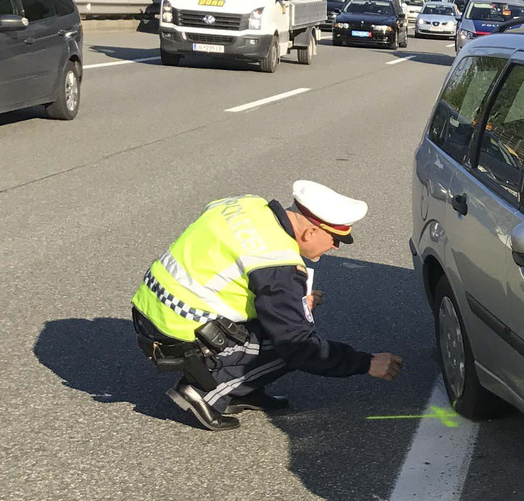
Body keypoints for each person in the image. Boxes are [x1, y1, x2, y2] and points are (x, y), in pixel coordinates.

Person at [131, 179, 403, 431]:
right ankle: (208, 390)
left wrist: (295, 303)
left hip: (151, 313)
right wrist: (366, 363)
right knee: (296, 343)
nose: (335, 248)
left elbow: (227, 271)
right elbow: (299, 345)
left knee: (290, 316)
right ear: (309, 232)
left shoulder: (246, 204)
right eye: (335, 240)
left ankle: (244, 389)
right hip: (181, 337)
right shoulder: (278, 264)